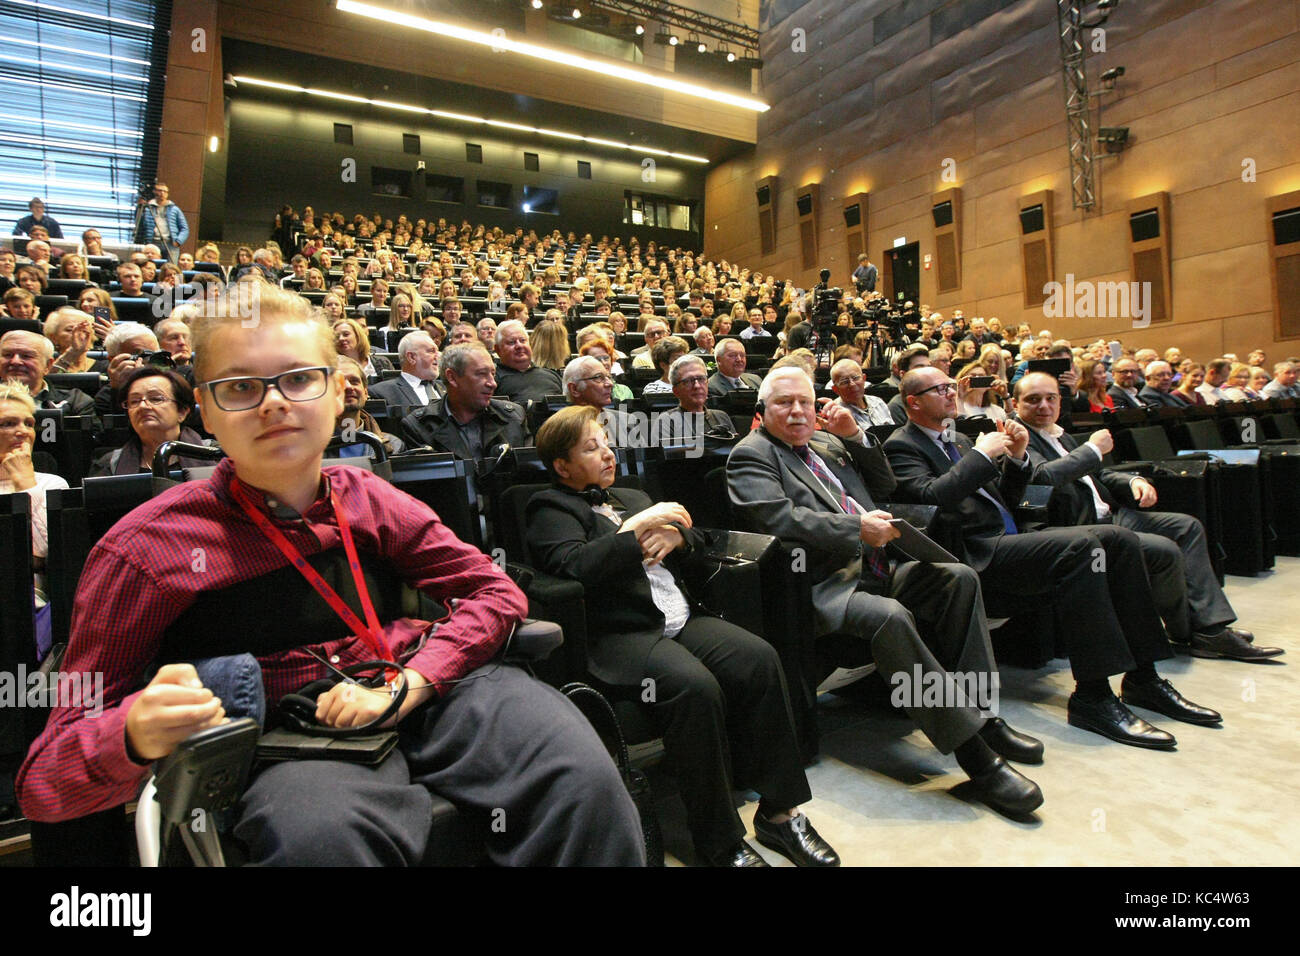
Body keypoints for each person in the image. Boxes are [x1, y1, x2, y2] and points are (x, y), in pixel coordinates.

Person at [15, 284, 644, 865]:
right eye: (239, 388)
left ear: (338, 392)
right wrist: (131, 734)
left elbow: (492, 589)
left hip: (421, 684)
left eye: (298, 380)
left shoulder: (371, 497)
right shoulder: (143, 548)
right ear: (202, 409)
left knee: (583, 781)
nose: (274, 405)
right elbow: (46, 776)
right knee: (320, 841)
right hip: (294, 733)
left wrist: (417, 680)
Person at [529, 405, 839, 866]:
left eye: (607, 443)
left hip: (680, 618)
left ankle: (779, 814)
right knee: (694, 687)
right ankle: (718, 840)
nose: (608, 454)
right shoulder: (548, 506)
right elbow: (573, 569)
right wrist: (634, 534)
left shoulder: (631, 497)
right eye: (592, 448)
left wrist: (678, 540)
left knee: (758, 658)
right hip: (621, 633)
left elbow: (698, 541)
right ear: (562, 466)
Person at [726, 368, 1045, 816]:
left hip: (879, 566)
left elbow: (885, 486)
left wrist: (854, 435)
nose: (797, 411)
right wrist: (856, 529)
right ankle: (975, 756)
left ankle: (982, 714)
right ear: (762, 410)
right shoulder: (751, 455)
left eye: (805, 401)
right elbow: (779, 519)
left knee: (958, 578)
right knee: (890, 616)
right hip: (823, 584)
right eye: (783, 403)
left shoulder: (826, 443)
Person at [884, 366, 1222, 750]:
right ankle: (1093, 697)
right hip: (975, 554)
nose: (950, 393)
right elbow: (932, 497)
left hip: (1012, 540)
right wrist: (981, 455)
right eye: (940, 388)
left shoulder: (958, 439)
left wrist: (1018, 458)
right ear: (913, 401)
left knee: (1120, 539)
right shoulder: (902, 445)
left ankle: (1143, 677)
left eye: (950, 386)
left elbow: (1008, 499)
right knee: (1083, 549)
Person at [1012, 371, 1281, 663]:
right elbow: (1041, 478)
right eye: (1033, 400)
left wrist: (1132, 482)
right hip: (1081, 525)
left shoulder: (1058, 433)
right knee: (1162, 550)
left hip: (1111, 513)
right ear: (1016, 404)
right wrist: (1092, 449)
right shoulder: (1019, 438)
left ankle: (1202, 629)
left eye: (1051, 398)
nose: (1044, 406)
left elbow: (1098, 474)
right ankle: (1204, 632)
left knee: (1185, 526)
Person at [401, 344, 528, 460]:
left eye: (493, 374)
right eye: (481, 374)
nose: (492, 383)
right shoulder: (419, 426)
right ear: (452, 377)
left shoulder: (514, 417)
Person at [89, 367, 209, 476]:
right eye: (134, 401)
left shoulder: (215, 455)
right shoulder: (109, 465)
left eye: (155, 399)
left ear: (182, 412)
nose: (143, 406)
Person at [0, 329, 97, 419]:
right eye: (7, 355)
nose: (15, 361)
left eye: (26, 356)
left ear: (47, 365)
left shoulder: (75, 401)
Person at [493, 320, 562, 404]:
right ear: (498, 349)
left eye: (522, 340)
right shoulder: (492, 380)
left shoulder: (552, 376)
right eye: (511, 342)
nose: (519, 345)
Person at [369, 330, 440, 411]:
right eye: (431, 351)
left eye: (437, 351)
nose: (438, 356)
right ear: (411, 357)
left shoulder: (447, 387)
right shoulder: (382, 392)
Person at [132, 182, 189, 264]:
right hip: (152, 241)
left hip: (170, 243)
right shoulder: (148, 207)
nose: (162, 193)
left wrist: (178, 241)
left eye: (165, 191)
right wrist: (139, 207)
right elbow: (139, 222)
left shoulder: (175, 209)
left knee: (172, 266)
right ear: (154, 192)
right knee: (150, 265)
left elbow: (185, 228)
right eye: (159, 190)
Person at [828, 358, 892, 427]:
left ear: (864, 379)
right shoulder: (836, 414)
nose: (852, 384)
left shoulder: (878, 403)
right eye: (844, 382)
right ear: (835, 389)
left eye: (856, 378)